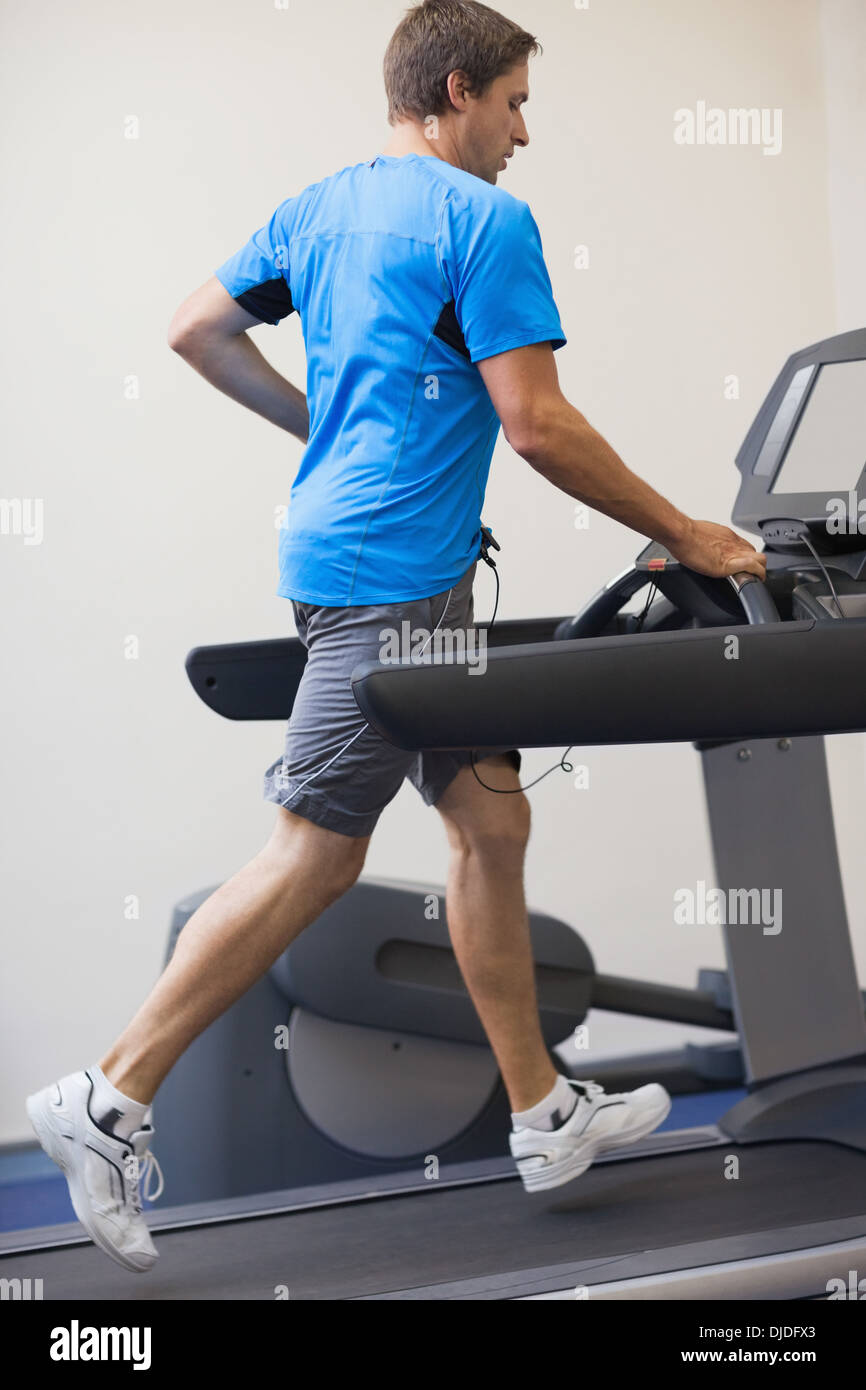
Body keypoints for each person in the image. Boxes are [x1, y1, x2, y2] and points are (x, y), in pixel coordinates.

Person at [25, 0, 766, 1275]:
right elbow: (536, 425)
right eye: (516, 104)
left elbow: (194, 328)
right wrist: (687, 529)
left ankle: (540, 1112)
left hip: (345, 560)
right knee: (315, 850)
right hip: (391, 589)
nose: (524, 134)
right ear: (459, 90)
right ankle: (106, 1096)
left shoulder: (316, 208)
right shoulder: (483, 222)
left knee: (489, 817)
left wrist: (318, 425)